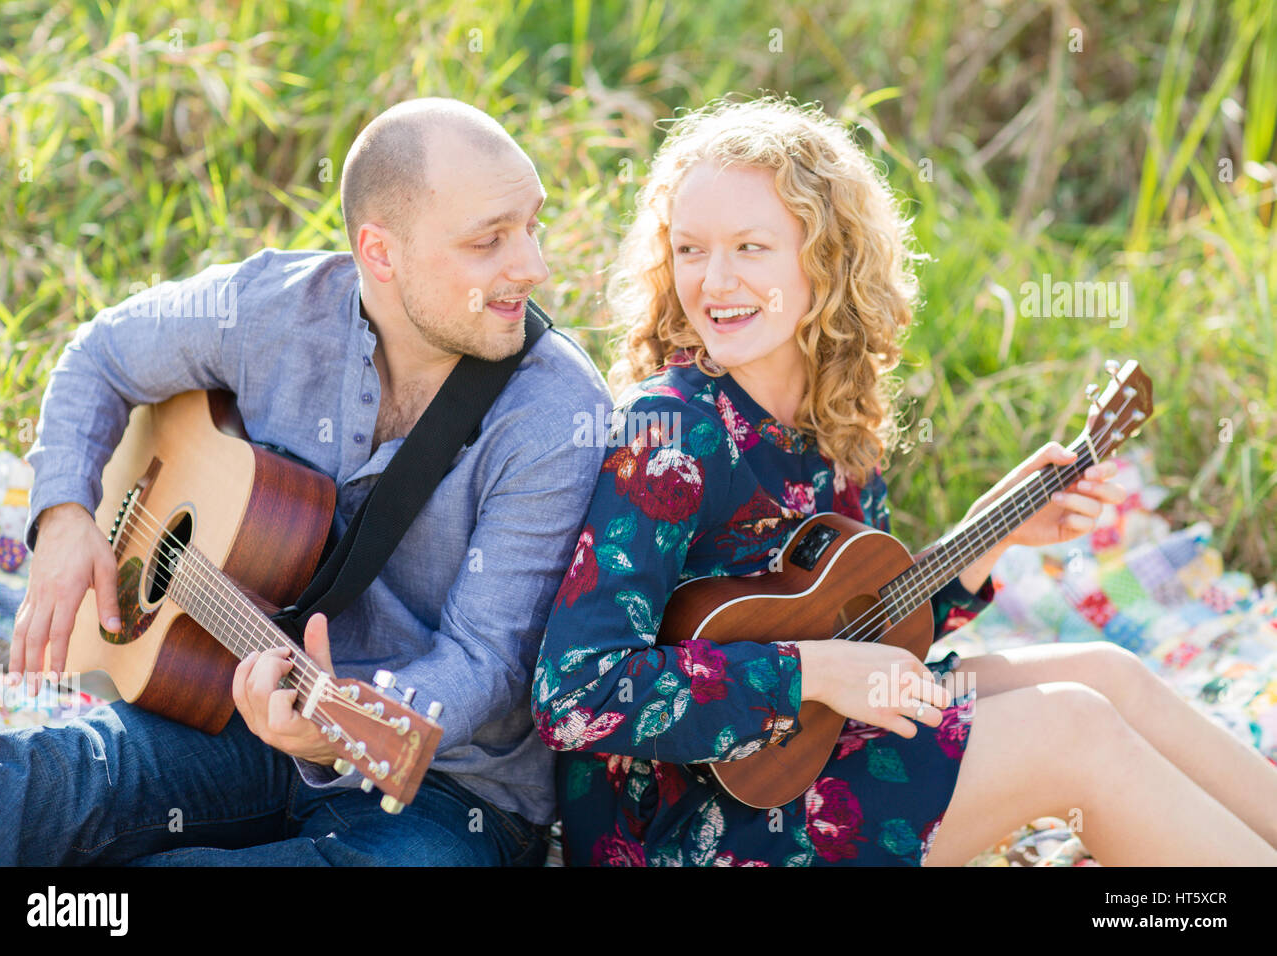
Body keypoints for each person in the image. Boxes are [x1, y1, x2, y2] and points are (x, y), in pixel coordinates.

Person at [532, 96, 1277, 866]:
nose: (716, 280)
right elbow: (574, 697)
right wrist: (812, 673)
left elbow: (870, 637)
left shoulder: (836, 415)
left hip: (807, 757)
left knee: (1105, 673)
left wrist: (993, 541)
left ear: (826, 259)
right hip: (689, 827)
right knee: (1073, 729)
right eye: (690, 250)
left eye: (750, 247)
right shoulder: (671, 437)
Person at [0, 97, 612, 866]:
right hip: (230, 712)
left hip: (446, 792)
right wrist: (65, 512)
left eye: (532, 225)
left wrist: (338, 724)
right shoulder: (271, 310)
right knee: (39, 783)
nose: (534, 268)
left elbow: (487, 660)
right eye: (489, 241)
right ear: (380, 253)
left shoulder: (555, 409)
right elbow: (100, 355)